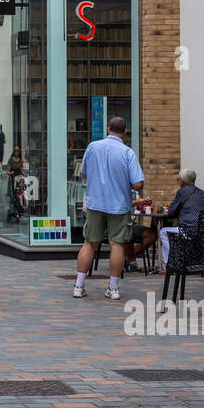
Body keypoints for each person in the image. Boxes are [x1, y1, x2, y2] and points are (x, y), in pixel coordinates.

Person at [75, 116, 145, 300]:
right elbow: (137, 184)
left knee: (89, 242)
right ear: (125, 132)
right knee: (117, 244)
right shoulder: (127, 152)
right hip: (119, 205)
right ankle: (113, 289)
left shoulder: (92, 147)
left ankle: (79, 285)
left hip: (96, 202)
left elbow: (83, 173)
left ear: (108, 128)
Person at [135, 168, 204, 270]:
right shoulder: (202, 192)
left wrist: (173, 201)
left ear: (182, 181)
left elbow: (172, 212)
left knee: (163, 232)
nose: (178, 181)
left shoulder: (182, 192)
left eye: (178, 179)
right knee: (171, 230)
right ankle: (180, 260)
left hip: (190, 231)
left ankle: (169, 264)